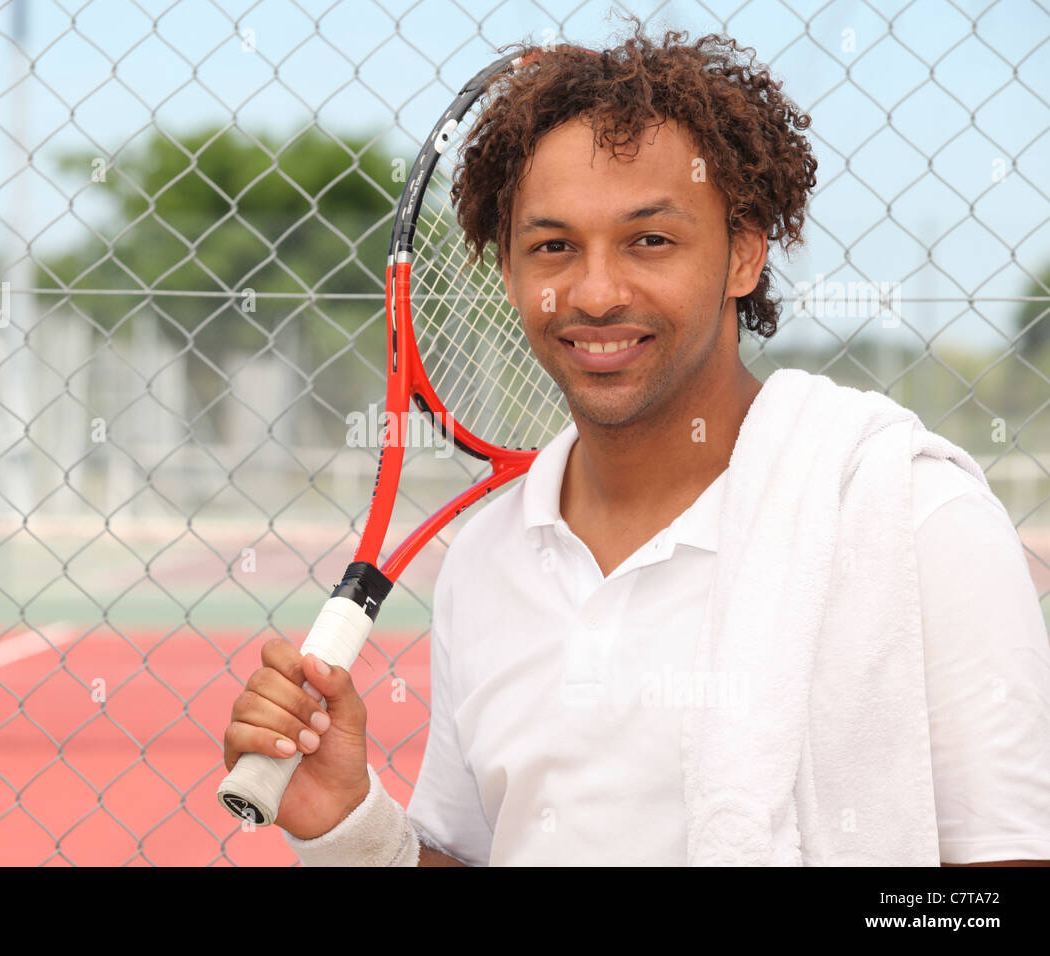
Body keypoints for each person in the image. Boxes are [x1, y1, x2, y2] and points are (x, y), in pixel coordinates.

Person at [221, 22, 1050, 866]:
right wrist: (350, 824)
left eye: (650, 240)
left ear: (743, 256)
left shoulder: (916, 521)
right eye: (552, 247)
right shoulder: (487, 561)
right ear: (508, 273)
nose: (596, 291)